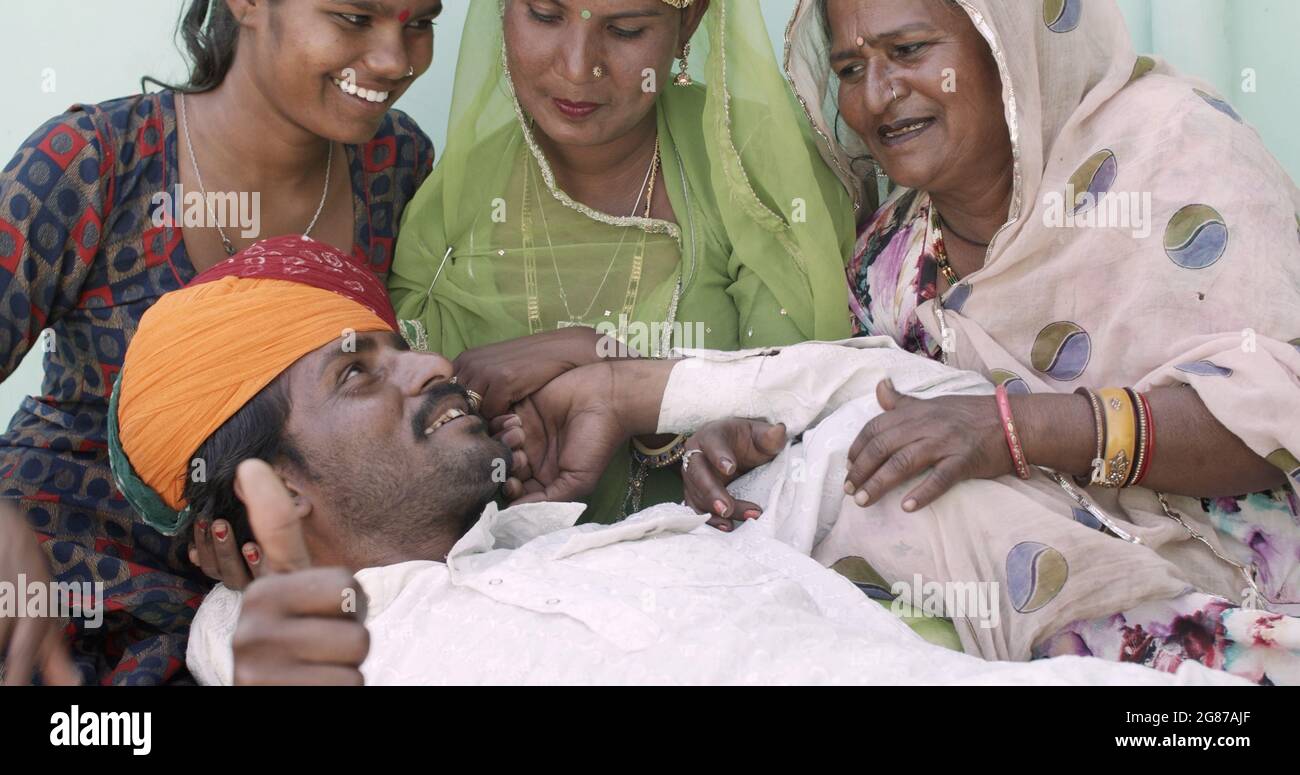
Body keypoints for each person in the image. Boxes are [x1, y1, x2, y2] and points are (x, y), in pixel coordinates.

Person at [108, 238, 1235, 686]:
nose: (430, 366)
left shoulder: (537, 554)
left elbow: (915, 402)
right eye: (358, 376)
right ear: (246, 522)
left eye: (397, 346)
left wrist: (631, 386)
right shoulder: (362, 657)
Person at [782, 0, 1300, 679]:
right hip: (1037, 605)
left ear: (1008, 46)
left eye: (908, 52)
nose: (877, 95)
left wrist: (1014, 429)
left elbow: (1275, 414)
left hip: (1243, 587)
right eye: (851, 68)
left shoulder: (1174, 149)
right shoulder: (889, 265)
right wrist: (776, 438)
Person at [0, 0, 439, 684]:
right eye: (354, 17)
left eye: (421, 23)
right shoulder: (96, 162)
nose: (394, 59)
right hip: (49, 585)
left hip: (231, 626)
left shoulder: (395, 165)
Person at [388, 0, 858, 524]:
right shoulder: (447, 207)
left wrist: (596, 358)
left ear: (690, 22)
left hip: (717, 579)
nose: (577, 66)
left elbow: (801, 411)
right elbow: (388, 447)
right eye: (545, 16)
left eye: (626, 29)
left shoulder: (753, 176)